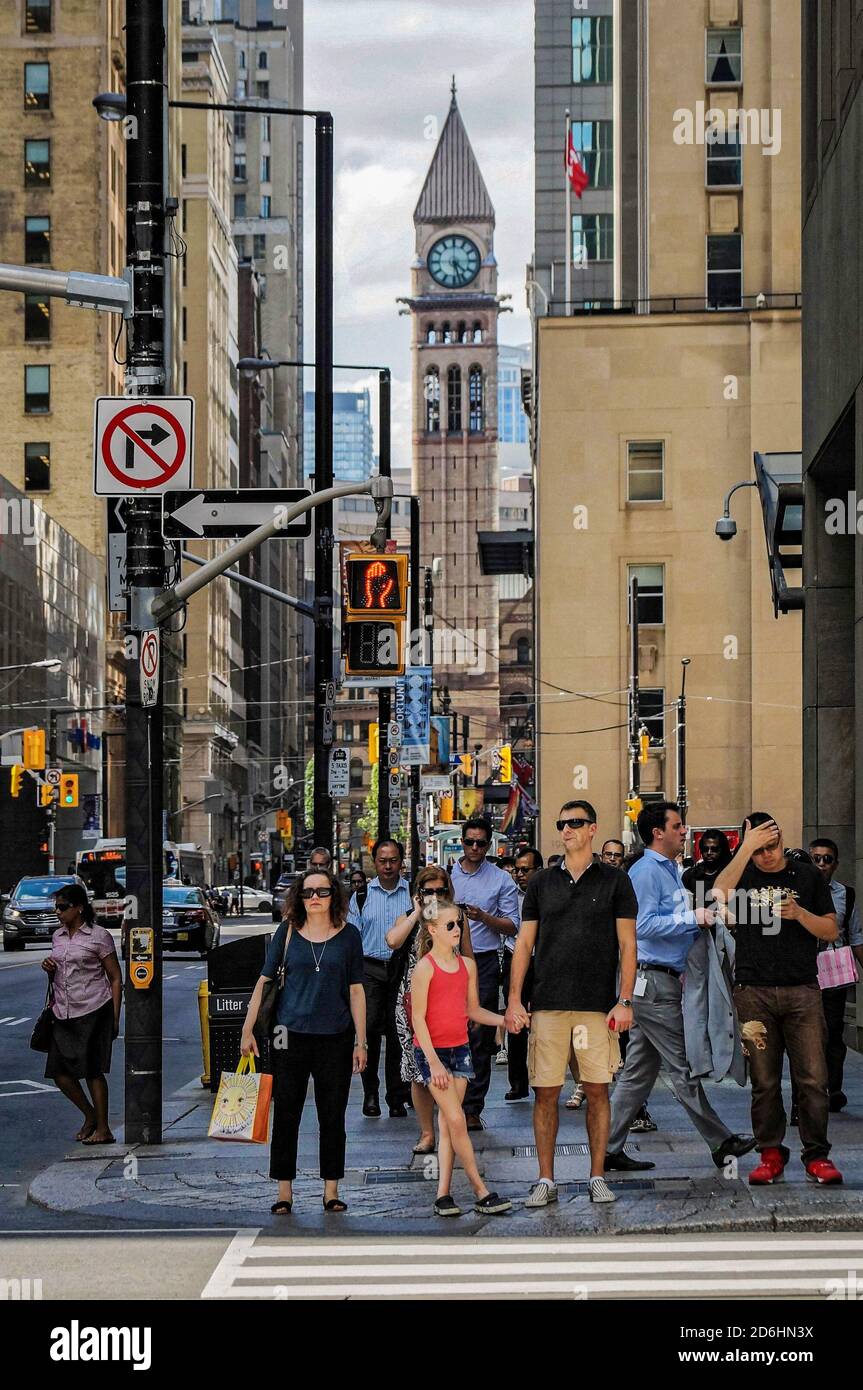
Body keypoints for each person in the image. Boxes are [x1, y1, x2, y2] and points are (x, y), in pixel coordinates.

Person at [605, 802, 754, 1176]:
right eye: (678, 825)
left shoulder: (667, 870)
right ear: (659, 832)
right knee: (682, 1066)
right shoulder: (646, 872)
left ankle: (605, 1147)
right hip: (652, 982)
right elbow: (641, 926)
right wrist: (695, 917)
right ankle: (720, 1141)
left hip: (657, 981)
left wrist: (697, 921)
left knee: (638, 1072)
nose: (684, 830)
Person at [507, 801, 638, 1206]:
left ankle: (597, 1176)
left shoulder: (616, 881)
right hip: (546, 1003)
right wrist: (514, 999)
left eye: (575, 823)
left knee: (598, 1091)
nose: (566, 829)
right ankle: (546, 1179)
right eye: (561, 823)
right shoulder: (542, 883)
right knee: (545, 1093)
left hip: (597, 1006)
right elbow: (524, 943)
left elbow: (628, 944)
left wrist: (625, 1000)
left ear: (593, 829)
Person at [713, 815, 843, 1185]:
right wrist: (745, 849)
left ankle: (816, 1154)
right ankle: (770, 1152)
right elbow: (718, 895)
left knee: (813, 1079)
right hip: (753, 992)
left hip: (802, 990)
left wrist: (801, 914)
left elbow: (832, 929)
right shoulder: (742, 875)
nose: (767, 855)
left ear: (781, 839)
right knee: (764, 1080)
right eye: (760, 848)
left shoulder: (806, 876)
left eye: (772, 846)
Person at [241, 867, 366, 1214]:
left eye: (322, 892)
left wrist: (362, 1042)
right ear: (299, 896)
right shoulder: (287, 933)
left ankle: (331, 1189)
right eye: (308, 892)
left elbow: (357, 990)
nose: (314, 898)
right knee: (287, 1114)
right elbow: (265, 981)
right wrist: (247, 1029)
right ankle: (284, 1191)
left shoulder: (349, 936)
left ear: (334, 896)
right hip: (287, 1035)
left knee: (332, 1115)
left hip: (336, 1036)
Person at [411, 900, 512, 1217]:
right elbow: (418, 1019)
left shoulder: (467, 966)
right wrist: (434, 1063)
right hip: (433, 1053)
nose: (457, 929)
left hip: (460, 1049)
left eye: (459, 923)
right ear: (432, 930)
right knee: (456, 1120)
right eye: (450, 925)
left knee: (448, 1123)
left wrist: (504, 1020)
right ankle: (480, 1191)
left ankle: (442, 1195)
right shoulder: (425, 967)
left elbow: (473, 1010)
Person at [388, 866, 474, 1155]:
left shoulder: (456, 920)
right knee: (418, 1070)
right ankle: (427, 1132)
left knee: (452, 1066)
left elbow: (467, 959)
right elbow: (392, 941)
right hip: (414, 1004)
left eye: (440, 891)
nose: (434, 897)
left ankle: (450, 1126)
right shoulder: (411, 919)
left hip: (449, 1002)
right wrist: (417, 913)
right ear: (418, 893)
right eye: (428, 892)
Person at [450, 816, 520, 1130]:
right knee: (450, 1032)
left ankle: (472, 1107)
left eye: (481, 843)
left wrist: (483, 917)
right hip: (449, 960)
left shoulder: (501, 880)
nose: (475, 848)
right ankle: (450, 1098)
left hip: (484, 961)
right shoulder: (448, 874)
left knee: (479, 1037)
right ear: (462, 843)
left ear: (489, 844)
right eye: (469, 842)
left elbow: (512, 924)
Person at [41, 885, 122, 1145]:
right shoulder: (58, 937)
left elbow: (115, 977)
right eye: (56, 907)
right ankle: (90, 1116)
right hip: (63, 1010)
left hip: (93, 1009)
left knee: (92, 1071)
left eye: (63, 907)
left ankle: (104, 1129)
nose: (58, 912)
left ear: (79, 908)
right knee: (58, 1071)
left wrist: (116, 1017)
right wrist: (49, 967)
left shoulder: (99, 936)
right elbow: (61, 971)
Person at [347, 839, 412, 1118]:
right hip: (369, 969)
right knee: (369, 1032)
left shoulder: (412, 893)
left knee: (400, 1032)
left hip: (402, 969)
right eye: (383, 860)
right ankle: (370, 1093)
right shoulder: (361, 896)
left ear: (401, 861)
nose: (388, 866)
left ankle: (397, 1096)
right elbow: (351, 937)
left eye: (393, 860)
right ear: (374, 862)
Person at [807, 837, 863, 1112]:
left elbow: (856, 936)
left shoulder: (845, 894)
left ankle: (833, 1088)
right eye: (815, 858)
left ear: (836, 864)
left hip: (834, 971)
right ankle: (809, 1089)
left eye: (827, 859)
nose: (821, 864)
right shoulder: (798, 892)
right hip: (803, 971)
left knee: (832, 1031)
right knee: (807, 1034)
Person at [504, 846, 543, 1101]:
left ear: (537, 870)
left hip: (542, 960)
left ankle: (542, 1078)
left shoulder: (546, 893)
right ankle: (518, 1082)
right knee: (516, 1021)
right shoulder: (509, 894)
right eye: (517, 870)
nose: (519, 875)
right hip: (514, 956)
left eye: (525, 870)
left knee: (542, 1021)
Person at [681, 829, 733, 902]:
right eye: (705, 849)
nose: (709, 852)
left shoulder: (730, 875)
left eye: (714, 849)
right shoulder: (690, 875)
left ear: (723, 850)